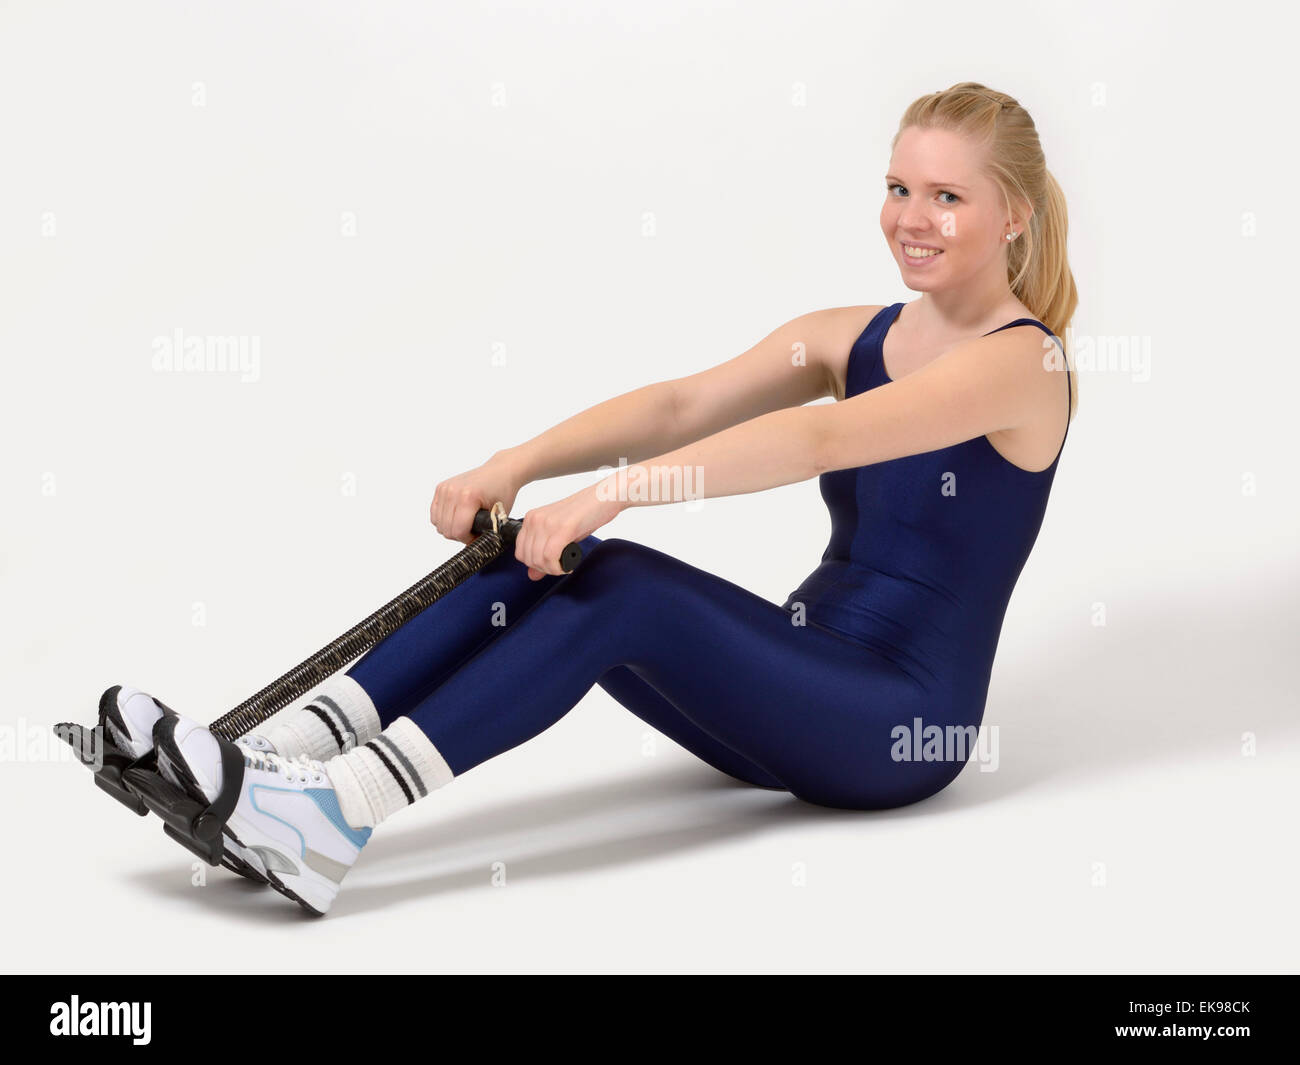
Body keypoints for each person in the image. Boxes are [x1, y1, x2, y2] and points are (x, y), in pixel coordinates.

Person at [113, 81, 1079, 915]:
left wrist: (611, 497)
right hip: (795, 682)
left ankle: (331, 817)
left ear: (1015, 216)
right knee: (542, 556)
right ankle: (273, 762)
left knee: (621, 581)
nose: (913, 217)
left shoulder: (1021, 363)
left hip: (897, 728)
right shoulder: (850, 334)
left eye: (948, 196)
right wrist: (518, 466)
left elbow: (821, 438)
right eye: (899, 188)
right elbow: (681, 403)